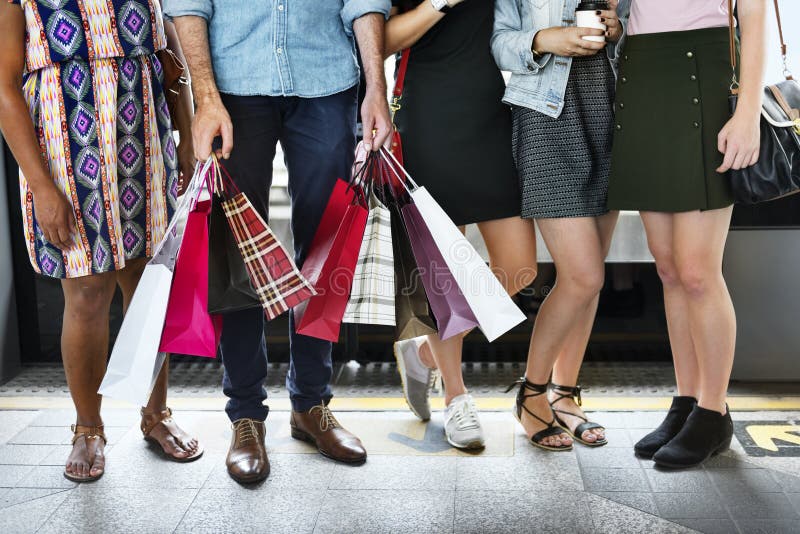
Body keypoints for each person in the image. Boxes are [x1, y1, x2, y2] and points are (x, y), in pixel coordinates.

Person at [164, 0, 393, 483]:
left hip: (327, 79)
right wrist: (205, 97)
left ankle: (311, 402)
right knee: (238, 251)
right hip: (233, 83)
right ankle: (245, 413)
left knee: (326, 246)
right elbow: (188, 4)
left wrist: (378, 87)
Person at [0, 0, 202, 482]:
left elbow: (169, 50)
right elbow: (4, 85)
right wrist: (41, 184)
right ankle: (87, 427)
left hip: (145, 135)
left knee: (148, 285)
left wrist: (188, 135)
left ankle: (156, 414)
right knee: (87, 291)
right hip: (65, 149)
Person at [607, 0, 765, 468]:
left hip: (702, 69)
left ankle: (714, 413)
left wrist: (748, 111)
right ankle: (687, 401)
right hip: (642, 76)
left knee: (698, 271)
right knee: (669, 268)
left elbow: (753, 17)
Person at [387, 0, 537, 451]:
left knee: (521, 268)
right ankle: (456, 395)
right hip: (428, 115)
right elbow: (383, 40)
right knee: (443, 276)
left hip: (490, 112)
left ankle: (425, 353)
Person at [491, 0, 623, 451]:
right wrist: (545, 40)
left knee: (588, 281)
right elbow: (498, 43)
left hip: (613, 113)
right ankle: (532, 394)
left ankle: (565, 395)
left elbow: (632, 35)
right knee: (584, 276)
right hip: (546, 117)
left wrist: (617, 29)